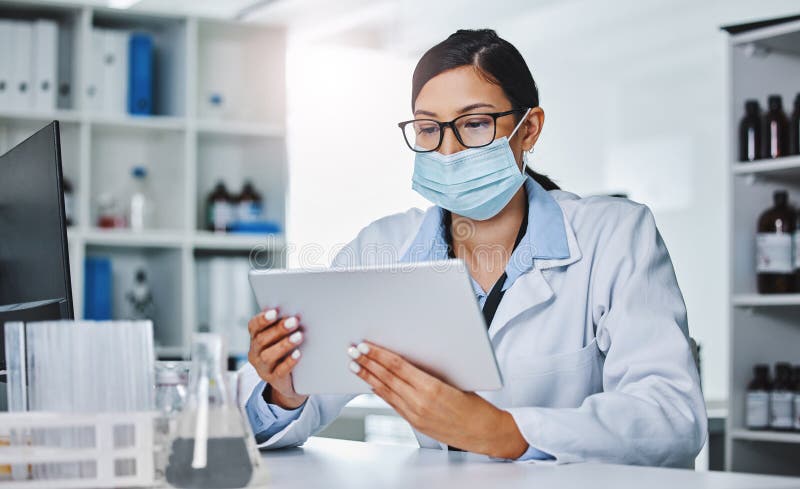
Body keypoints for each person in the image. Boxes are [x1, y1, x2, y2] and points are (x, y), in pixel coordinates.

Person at [238, 29, 706, 466]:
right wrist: (284, 390)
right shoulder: (383, 247)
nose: (448, 151)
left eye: (475, 124)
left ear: (529, 129)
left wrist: (507, 431)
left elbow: (671, 415)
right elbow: (290, 408)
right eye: (428, 129)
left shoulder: (614, 236)